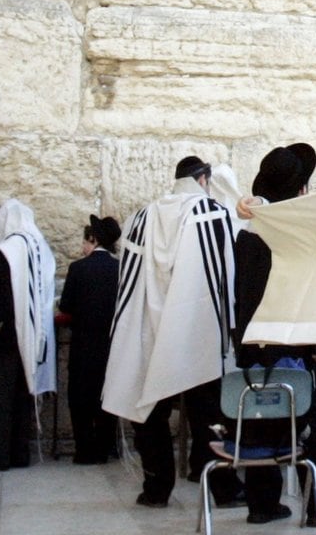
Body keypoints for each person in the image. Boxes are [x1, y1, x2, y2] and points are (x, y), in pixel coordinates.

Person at [229, 144, 316, 527]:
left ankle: (262, 503)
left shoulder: (251, 231)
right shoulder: (293, 237)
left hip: (254, 348)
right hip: (295, 349)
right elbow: (303, 293)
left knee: (259, 421)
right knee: (314, 424)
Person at [101, 159, 241, 507]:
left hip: (149, 325)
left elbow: (129, 280)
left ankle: (156, 488)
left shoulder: (142, 216)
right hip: (196, 327)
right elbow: (223, 275)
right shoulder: (212, 213)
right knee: (207, 412)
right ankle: (220, 488)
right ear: (203, 179)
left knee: (150, 411)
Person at [0, 199, 56, 471]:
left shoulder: (11, 249)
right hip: (30, 337)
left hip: (4, 336)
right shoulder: (39, 246)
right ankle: (19, 453)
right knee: (20, 395)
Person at [57, 215, 121, 465]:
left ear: (93, 240)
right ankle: (106, 447)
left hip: (84, 345)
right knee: (107, 396)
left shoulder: (78, 268)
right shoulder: (120, 269)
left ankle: (85, 450)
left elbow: (66, 305)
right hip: (111, 345)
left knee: (82, 398)